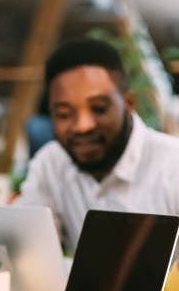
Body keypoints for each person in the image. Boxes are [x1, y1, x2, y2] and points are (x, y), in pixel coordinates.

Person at [15, 37, 179, 255]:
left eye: (99, 108)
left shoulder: (173, 166)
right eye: (64, 114)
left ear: (128, 104)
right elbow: (24, 248)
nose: (82, 126)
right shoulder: (52, 164)